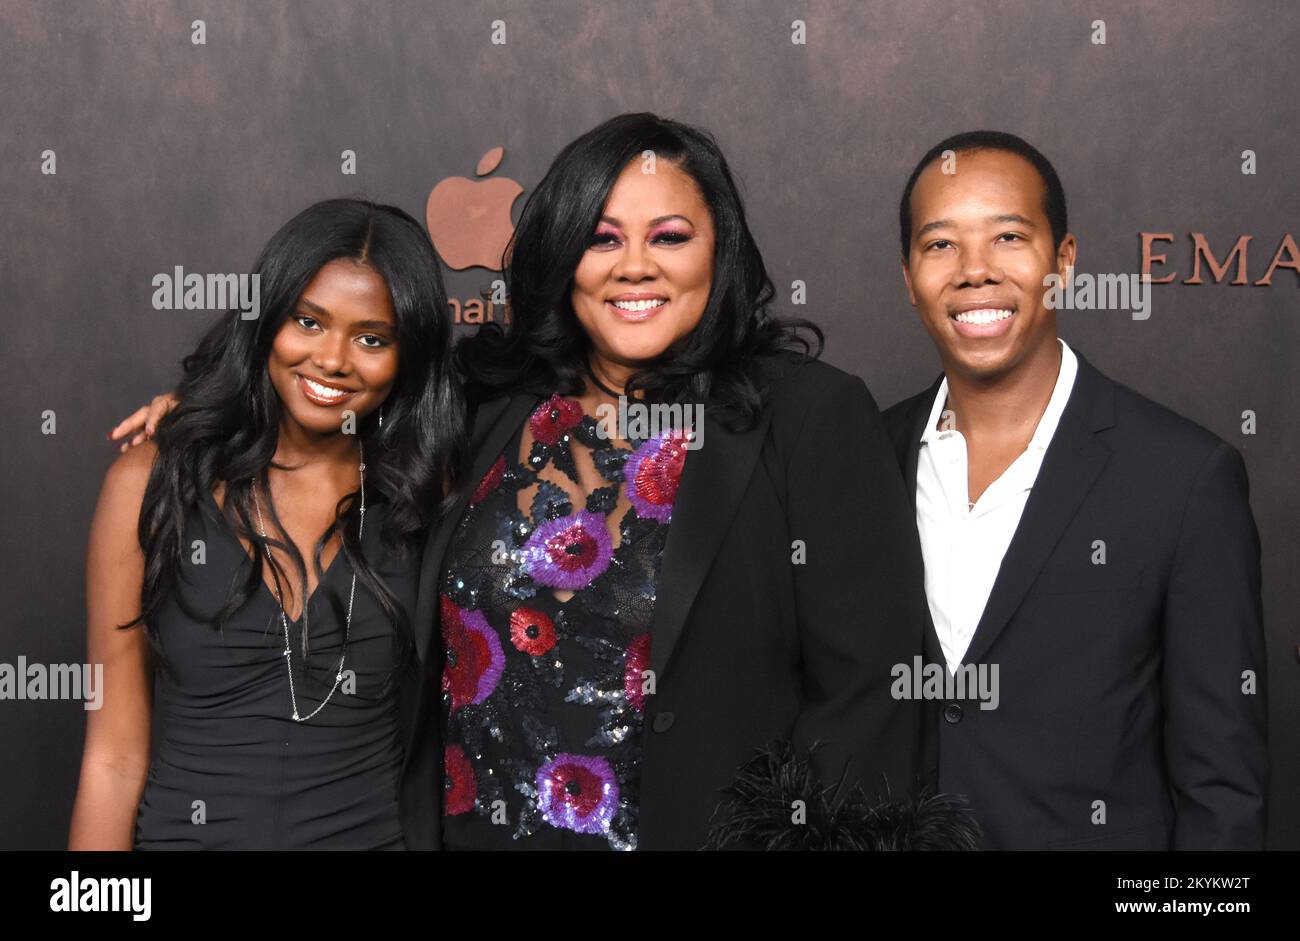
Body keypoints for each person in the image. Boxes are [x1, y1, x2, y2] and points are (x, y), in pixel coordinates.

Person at [112, 114, 977, 851]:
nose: (635, 265)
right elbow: (336, 379)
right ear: (564, 255)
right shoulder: (486, 403)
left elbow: (874, 692)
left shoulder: (806, 415)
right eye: (602, 238)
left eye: (669, 236)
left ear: (721, 252)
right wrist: (204, 411)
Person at [883, 130, 1268, 849]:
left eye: (1007, 237)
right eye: (940, 245)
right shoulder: (863, 457)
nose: (975, 271)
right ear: (907, 276)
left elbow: (1223, 790)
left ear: (1062, 262)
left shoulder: (1183, 477)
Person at [71, 198, 466, 849]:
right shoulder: (148, 482)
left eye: (372, 338)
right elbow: (110, 761)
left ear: (407, 356)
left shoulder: (427, 493)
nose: (333, 359)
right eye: (307, 321)